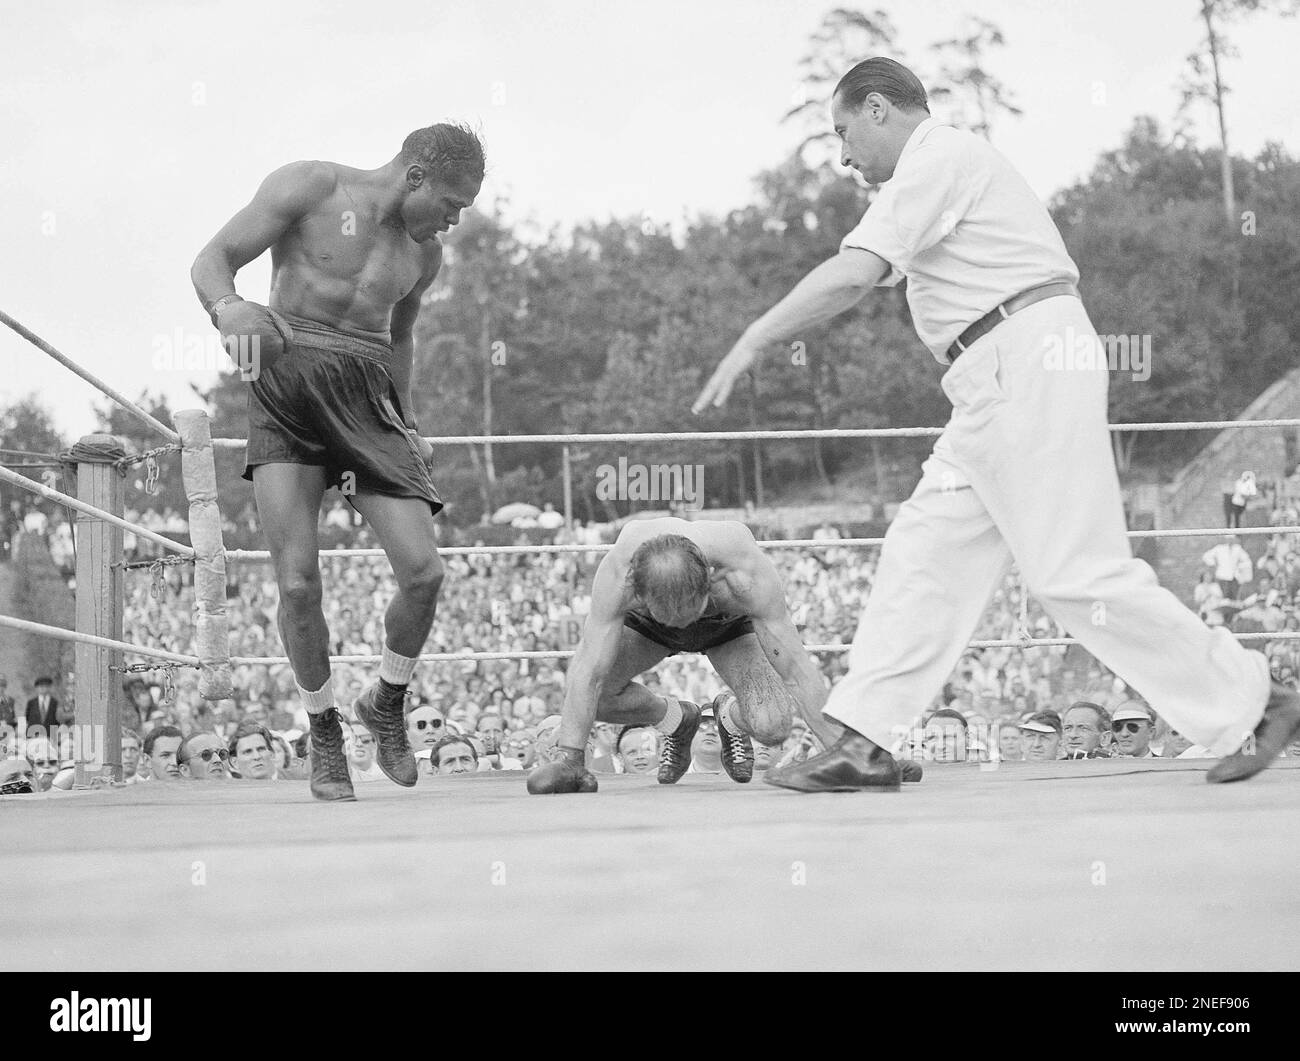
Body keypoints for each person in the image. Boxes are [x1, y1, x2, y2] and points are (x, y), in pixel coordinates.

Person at [694, 56, 1299, 790]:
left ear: (880, 108)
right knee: (924, 551)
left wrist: (756, 336)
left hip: (1022, 357)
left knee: (1079, 573)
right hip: (996, 373)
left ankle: (1257, 700)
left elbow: (853, 273)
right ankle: (864, 739)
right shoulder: (940, 168)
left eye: (845, 132)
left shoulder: (938, 157)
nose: (846, 157)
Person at [191, 123, 485, 803]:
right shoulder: (312, 184)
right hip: (287, 387)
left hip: (370, 402)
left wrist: (408, 424)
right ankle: (323, 726)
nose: (455, 217)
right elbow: (212, 258)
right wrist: (227, 308)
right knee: (297, 583)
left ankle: (385, 700)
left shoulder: (426, 255)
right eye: (452, 201)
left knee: (424, 571)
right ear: (415, 175)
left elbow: (402, 336)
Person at [527, 518, 838, 794]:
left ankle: (729, 717)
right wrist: (571, 759)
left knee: (774, 725)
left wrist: (840, 752)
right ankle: (676, 719)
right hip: (647, 629)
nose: (682, 625)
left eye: (687, 614)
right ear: (639, 591)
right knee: (597, 697)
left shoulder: (743, 571)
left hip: (727, 625)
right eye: (670, 617)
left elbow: (796, 670)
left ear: (711, 581)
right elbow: (588, 672)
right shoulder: (618, 574)